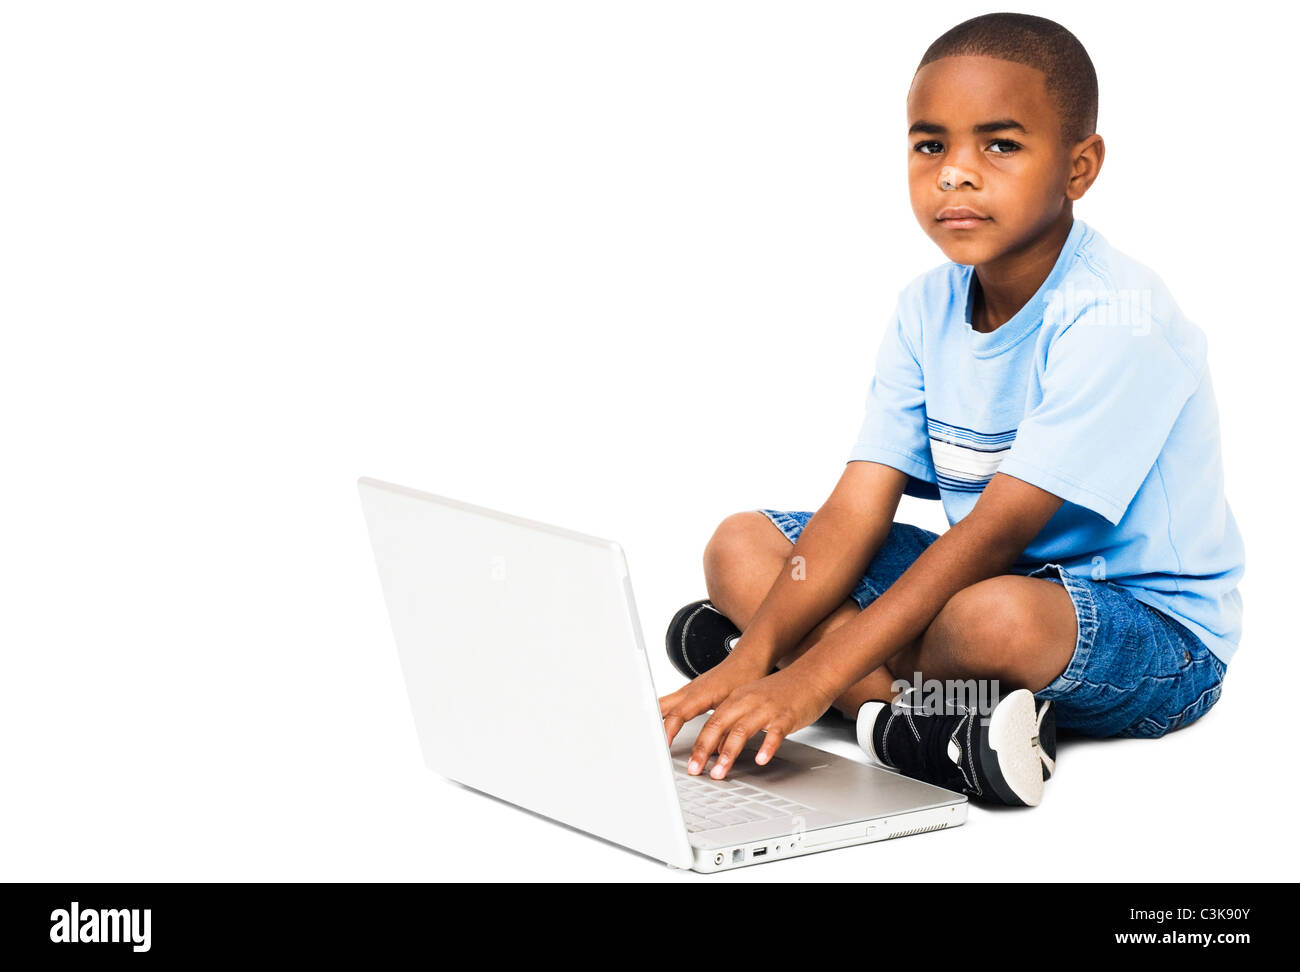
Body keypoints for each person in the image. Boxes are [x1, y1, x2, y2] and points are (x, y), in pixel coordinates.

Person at [657, 12, 1244, 807]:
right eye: (931, 145)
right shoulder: (924, 306)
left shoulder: (1117, 317)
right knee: (742, 546)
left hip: (1146, 630)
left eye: (1000, 145)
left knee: (986, 621)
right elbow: (855, 508)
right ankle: (887, 717)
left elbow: (992, 535)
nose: (955, 175)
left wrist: (806, 674)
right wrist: (757, 652)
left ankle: (847, 681)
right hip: (978, 580)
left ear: (1079, 167)